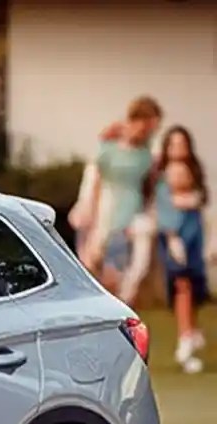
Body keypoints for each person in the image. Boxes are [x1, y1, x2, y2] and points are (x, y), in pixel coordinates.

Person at [69, 96, 163, 306]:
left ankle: (119, 309)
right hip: (105, 210)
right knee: (89, 264)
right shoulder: (108, 147)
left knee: (121, 271)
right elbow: (94, 181)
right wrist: (89, 212)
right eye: (148, 126)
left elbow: (149, 186)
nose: (149, 133)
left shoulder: (146, 153)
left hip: (130, 213)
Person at [152, 125, 209, 372]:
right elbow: (164, 211)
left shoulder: (195, 175)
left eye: (182, 144)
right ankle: (184, 340)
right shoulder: (162, 178)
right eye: (173, 144)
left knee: (194, 288)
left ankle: (191, 332)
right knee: (182, 286)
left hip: (194, 235)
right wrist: (173, 239)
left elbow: (202, 203)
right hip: (175, 238)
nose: (178, 149)